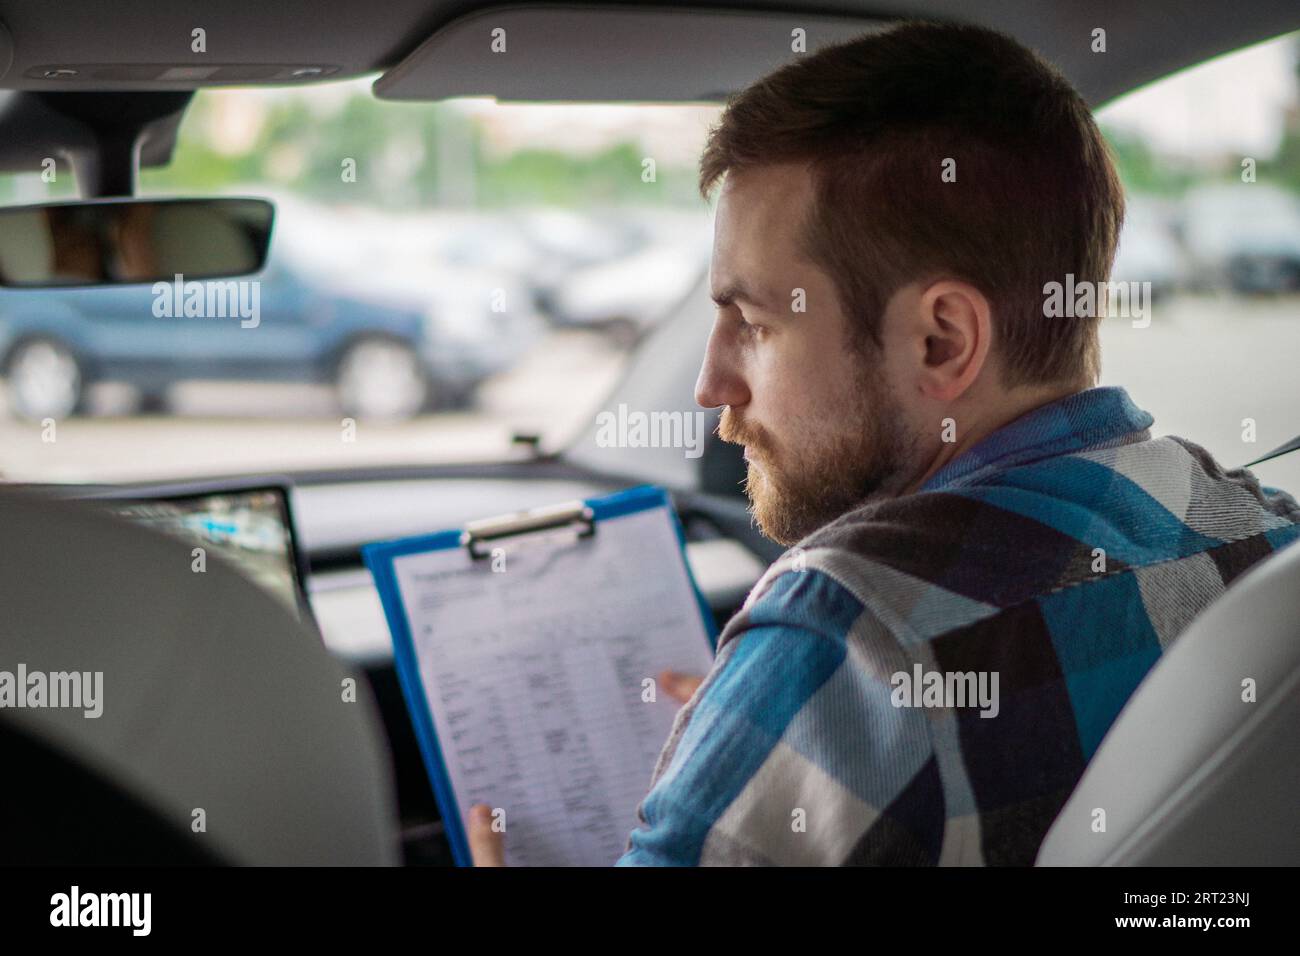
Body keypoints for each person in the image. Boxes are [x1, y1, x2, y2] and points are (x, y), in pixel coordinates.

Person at [469, 20, 1300, 866]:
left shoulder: (844, 636)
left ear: (941, 341)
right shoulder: (1267, 542)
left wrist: (794, 687)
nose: (709, 386)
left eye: (754, 324)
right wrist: (763, 721)